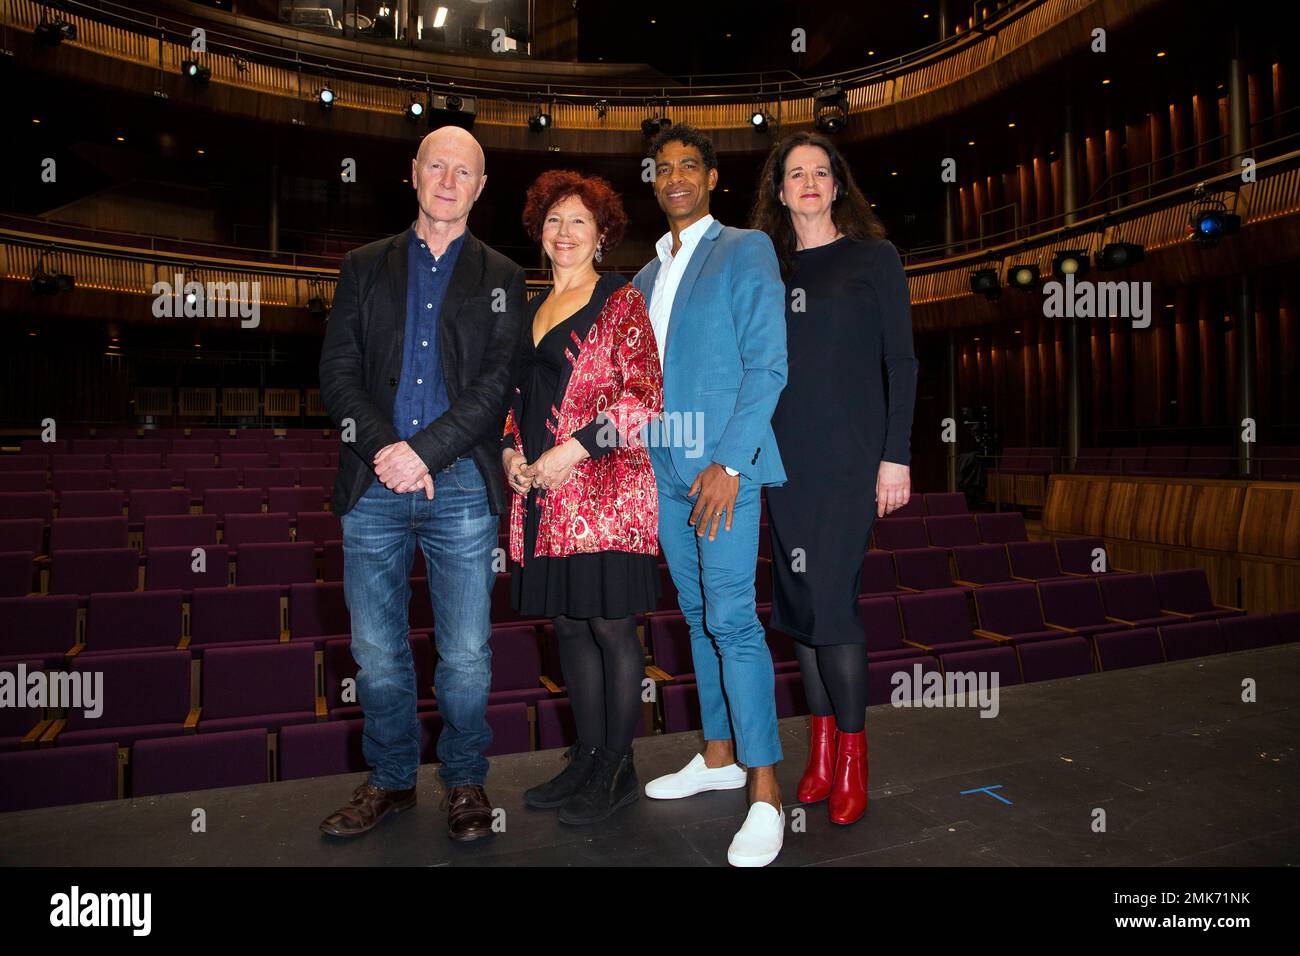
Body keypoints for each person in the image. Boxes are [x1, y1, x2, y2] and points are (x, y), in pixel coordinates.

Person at [317, 126, 527, 842]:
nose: (447, 179)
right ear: (413, 174)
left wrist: (427, 454)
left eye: (462, 170)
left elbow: (499, 383)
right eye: (436, 165)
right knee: (376, 652)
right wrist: (390, 453)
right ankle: (392, 778)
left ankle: (465, 778)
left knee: (465, 651)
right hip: (372, 484)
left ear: (479, 185)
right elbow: (337, 374)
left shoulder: (500, 275)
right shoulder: (362, 266)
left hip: (462, 485)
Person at [633, 124, 789, 867]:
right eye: (663, 168)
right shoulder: (644, 275)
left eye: (689, 166)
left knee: (733, 618)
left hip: (720, 467)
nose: (676, 178)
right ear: (652, 181)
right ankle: (719, 754)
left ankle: (766, 790)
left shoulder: (745, 249)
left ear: (713, 177)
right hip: (662, 469)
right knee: (697, 617)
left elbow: (767, 366)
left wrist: (730, 460)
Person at [751, 131, 917, 825]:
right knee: (798, 612)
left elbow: (901, 364)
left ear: (837, 186)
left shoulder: (874, 258)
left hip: (851, 462)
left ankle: (853, 757)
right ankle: (818, 755)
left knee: (834, 608)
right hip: (784, 463)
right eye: (797, 173)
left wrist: (896, 454)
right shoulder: (768, 273)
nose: (810, 182)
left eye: (822, 171)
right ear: (781, 192)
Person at [501, 170, 663, 825]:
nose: (564, 233)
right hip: (542, 499)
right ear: (540, 232)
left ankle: (618, 765)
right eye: (554, 221)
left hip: (604, 493)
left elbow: (645, 397)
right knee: (568, 624)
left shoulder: (621, 300)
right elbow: (513, 401)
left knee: (609, 625)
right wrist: (512, 454)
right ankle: (587, 756)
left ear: (601, 235)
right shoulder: (525, 307)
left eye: (579, 222)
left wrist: (574, 449)